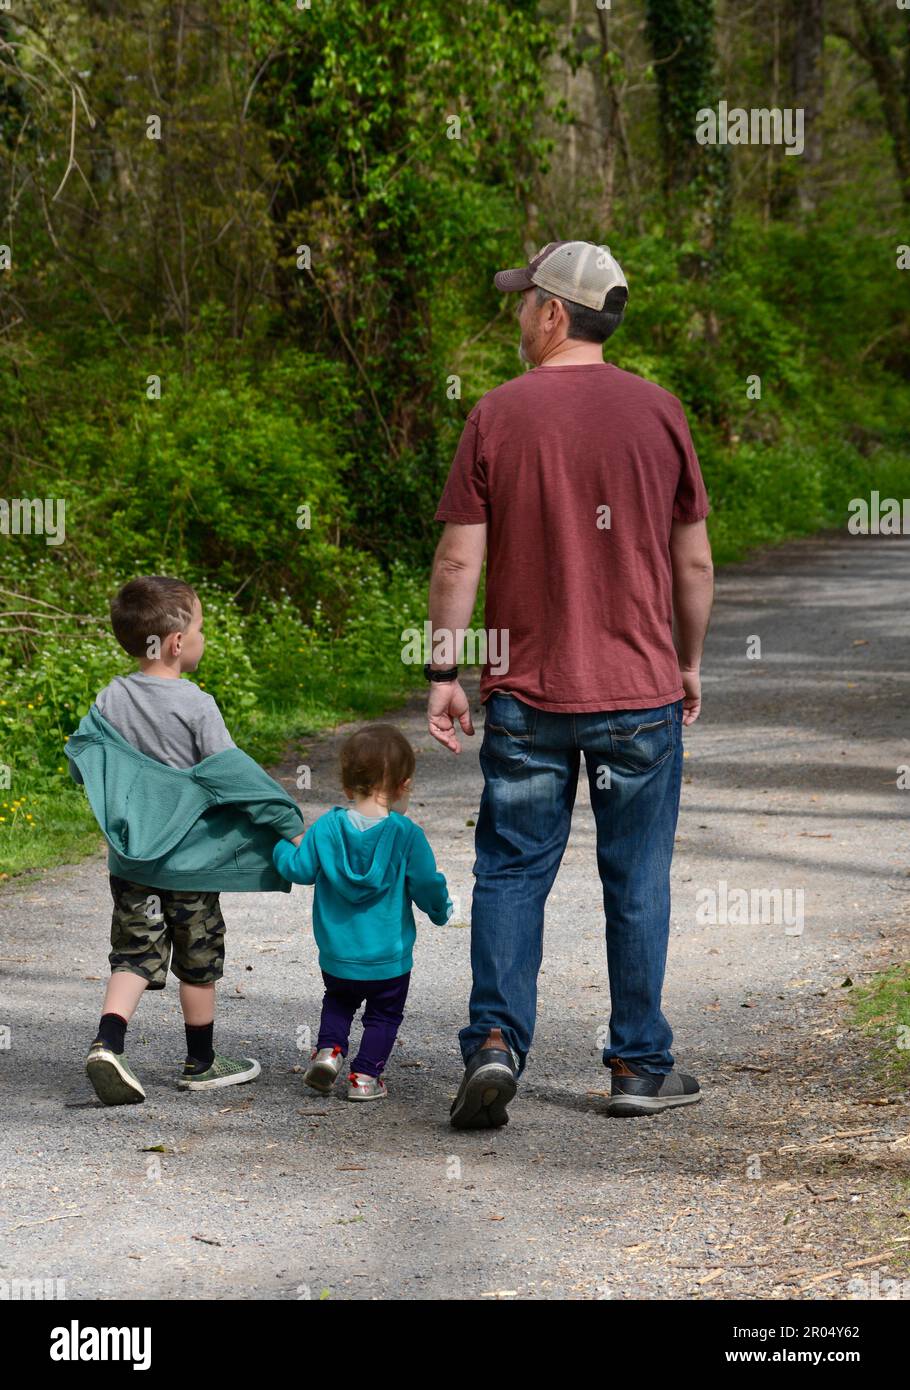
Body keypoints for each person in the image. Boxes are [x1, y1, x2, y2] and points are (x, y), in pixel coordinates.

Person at [425, 240, 714, 1128]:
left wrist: (443, 668)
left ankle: (496, 1046)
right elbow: (694, 561)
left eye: (525, 303)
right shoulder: (660, 412)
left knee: (511, 871)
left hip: (526, 695)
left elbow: (456, 557)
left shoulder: (498, 415)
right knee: (637, 878)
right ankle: (637, 1066)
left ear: (554, 313)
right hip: (640, 693)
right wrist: (688, 661)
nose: (517, 317)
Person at [66, 574, 305, 1105]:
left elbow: (85, 764)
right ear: (177, 643)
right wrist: (287, 822)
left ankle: (108, 1042)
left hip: (132, 864)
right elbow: (233, 776)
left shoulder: (111, 696)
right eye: (201, 627)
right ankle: (201, 1061)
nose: (203, 637)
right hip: (191, 865)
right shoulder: (196, 705)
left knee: (132, 955)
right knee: (197, 956)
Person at [273, 723, 453, 1101]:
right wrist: (440, 910)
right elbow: (426, 885)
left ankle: (329, 1051)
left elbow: (300, 870)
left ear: (346, 785)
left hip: (338, 955)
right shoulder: (406, 835)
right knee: (383, 1016)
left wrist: (280, 849)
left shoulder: (326, 828)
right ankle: (365, 1078)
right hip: (388, 959)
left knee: (338, 1001)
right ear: (404, 785)